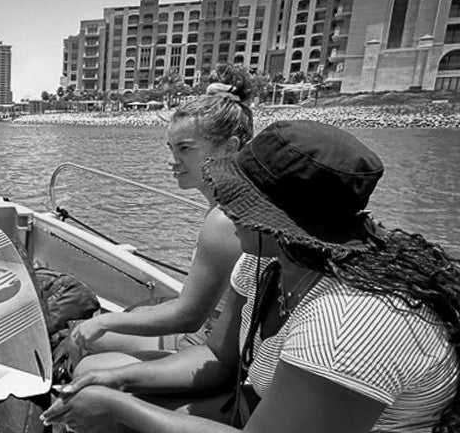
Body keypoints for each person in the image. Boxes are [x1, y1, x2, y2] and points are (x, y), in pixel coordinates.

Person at [42, 120, 460, 433]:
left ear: (284, 224)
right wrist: (119, 379)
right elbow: (220, 358)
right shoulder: (266, 261)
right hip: (250, 405)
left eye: (240, 198)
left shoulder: (348, 326)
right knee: (98, 374)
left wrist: (118, 408)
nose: (223, 206)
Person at [70, 63, 253, 358]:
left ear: (228, 148)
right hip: (206, 338)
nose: (172, 160)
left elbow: (190, 316)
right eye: (170, 148)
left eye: (185, 149)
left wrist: (106, 320)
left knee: (81, 339)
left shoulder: (223, 220)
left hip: (201, 347)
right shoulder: (233, 204)